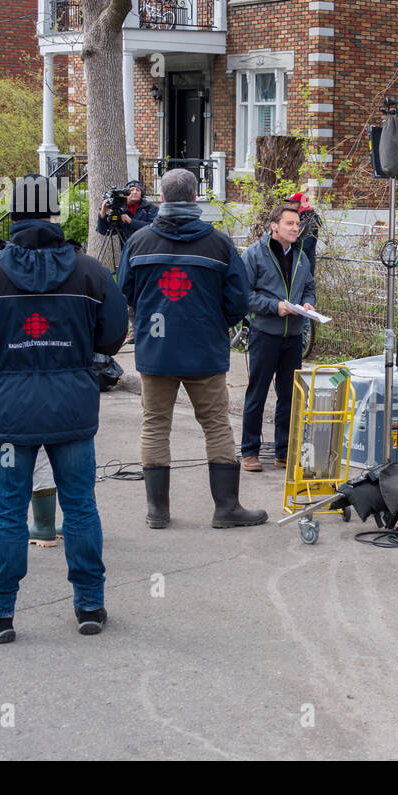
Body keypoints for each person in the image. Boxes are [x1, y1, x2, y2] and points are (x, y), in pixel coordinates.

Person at [0, 173, 128, 643]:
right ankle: (90, 606)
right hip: (72, 410)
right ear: (55, 215)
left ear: (12, 214)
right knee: (80, 506)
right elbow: (112, 337)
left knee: (7, 511)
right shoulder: (90, 273)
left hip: (7, 413)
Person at [117, 167, 266, 529]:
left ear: (162, 198)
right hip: (205, 351)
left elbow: (125, 291)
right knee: (216, 426)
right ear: (196, 198)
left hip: (157, 351)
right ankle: (226, 508)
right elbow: (237, 299)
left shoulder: (139, 242)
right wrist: (216, 324)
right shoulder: (219, 243)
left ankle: (157, 511)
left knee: (154, 427)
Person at [239, 202, 317, 473]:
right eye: (290, 224)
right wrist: (275, 307)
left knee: (289, 396)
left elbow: (309, 287)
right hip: (265, 334)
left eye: (297, 224)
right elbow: (244, 295)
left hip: (294, 335)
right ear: (274, 226)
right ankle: (249, 452)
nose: (296, 228)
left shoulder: (301, 256)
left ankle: (283, 452)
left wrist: (307, 304)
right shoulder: (254, 254)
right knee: (257, 394)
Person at [98, 179, 158, 245]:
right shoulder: (120, 210)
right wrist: (102, 213)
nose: (135, 192)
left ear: (141, 193)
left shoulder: (150, 208)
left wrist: (131, 221)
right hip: (127, 251)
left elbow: (155, 228)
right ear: (126, 194)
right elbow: (103, 231)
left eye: (138, 190)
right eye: (131, 190)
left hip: (145, 250)